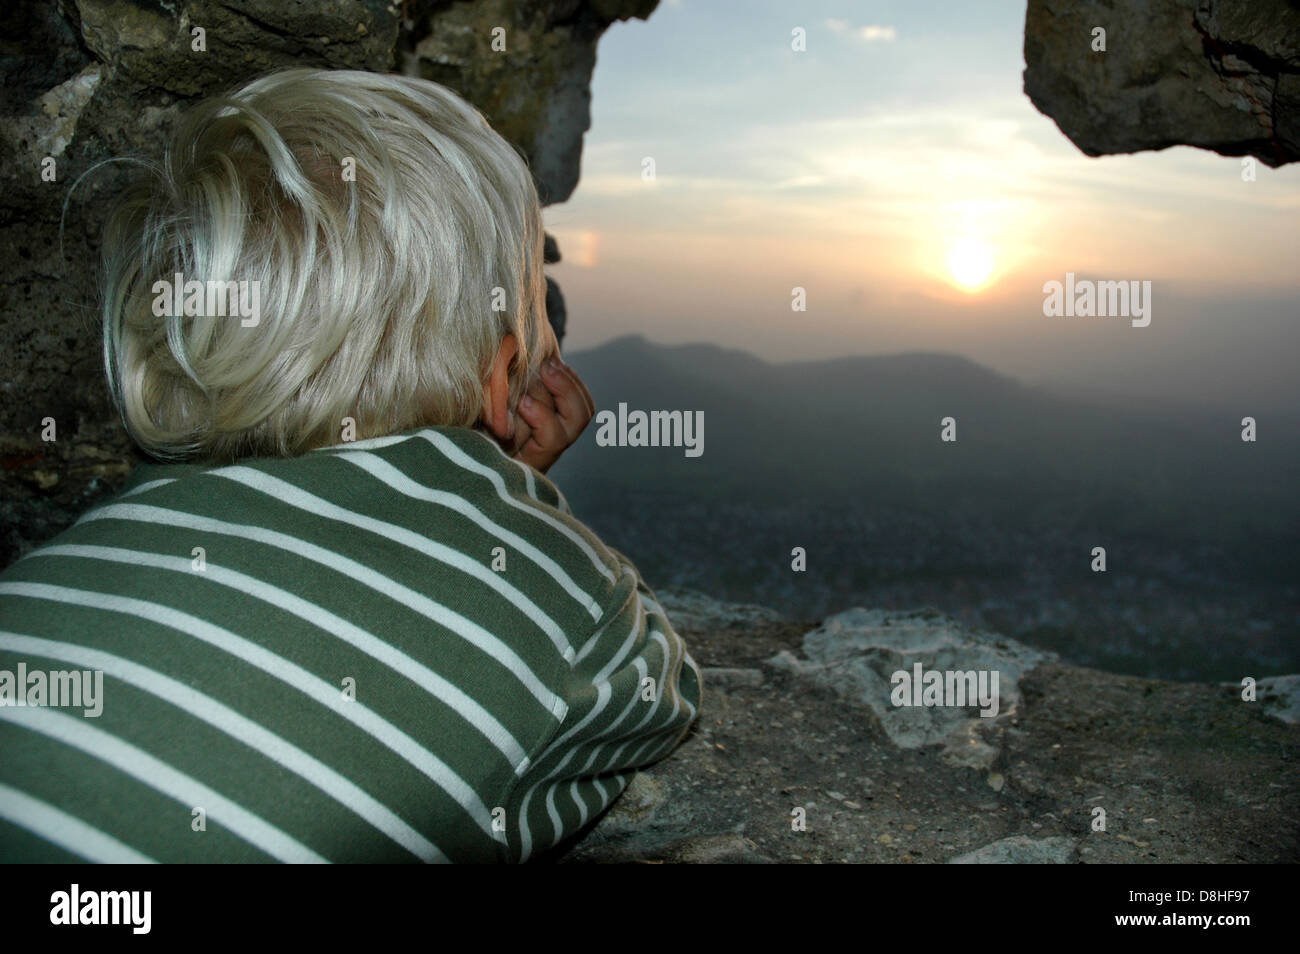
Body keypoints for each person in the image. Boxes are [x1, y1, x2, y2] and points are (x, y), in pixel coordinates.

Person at [0, 68, 701, 863]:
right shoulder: (566, 600)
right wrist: (516, 493)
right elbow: (651, 692)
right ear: (504, 381)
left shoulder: (74, 560)